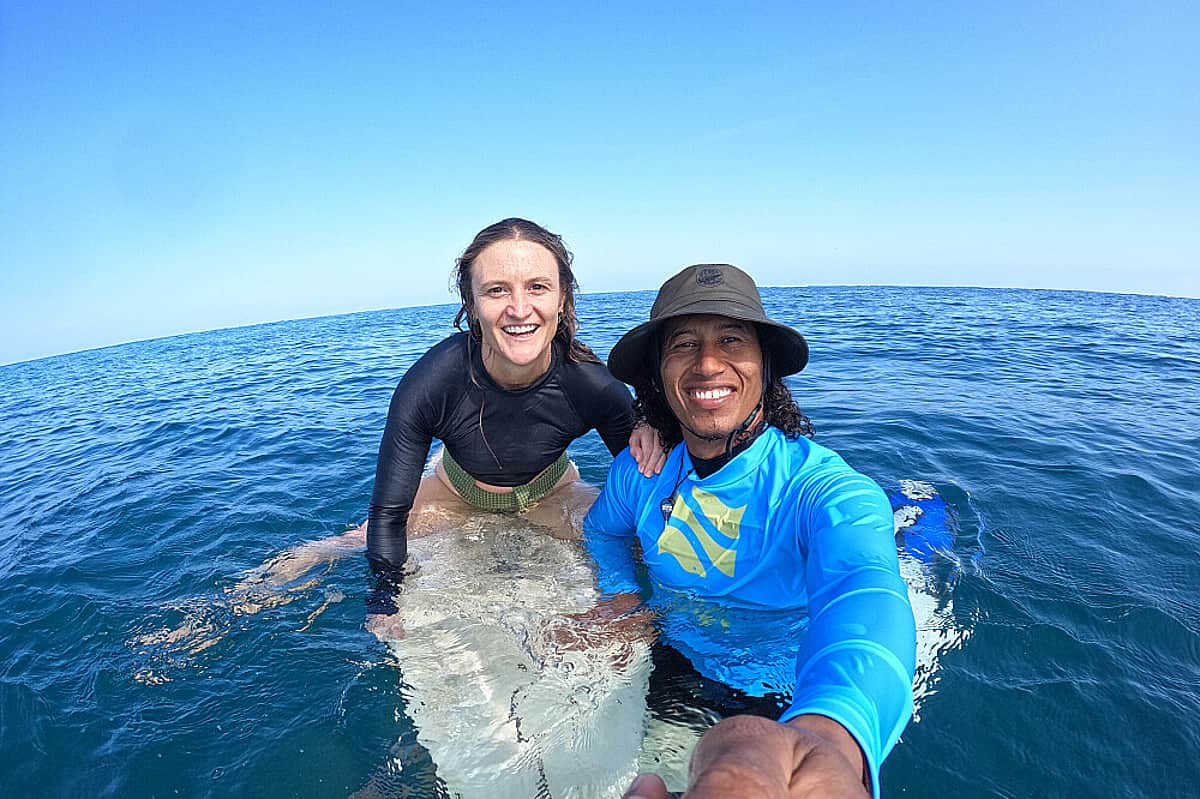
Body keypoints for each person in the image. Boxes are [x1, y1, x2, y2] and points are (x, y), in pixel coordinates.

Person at [582, 264, 916, 799]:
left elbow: (866, 588)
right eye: (684, 344)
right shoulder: (639, 471)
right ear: (658, 375)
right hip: (675, 662)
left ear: (765, 367)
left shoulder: (822, 489)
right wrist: (621, 598)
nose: (708, 363)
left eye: (731, 340)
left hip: (788, 693)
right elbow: (601, 534)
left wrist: (831, 734)